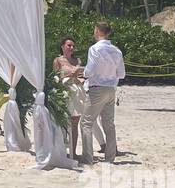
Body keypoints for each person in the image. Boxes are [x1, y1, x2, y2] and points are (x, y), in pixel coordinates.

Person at [79, 22, 126, 164]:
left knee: (86, 123)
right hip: (111, 89)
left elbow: (90, 70)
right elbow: (122, 74)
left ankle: (87, 157)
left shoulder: (95, 48)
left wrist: (83, 73)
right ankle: (110, 158)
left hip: (97, 88)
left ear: (98, 31)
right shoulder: (117, 51)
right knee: (109, 124)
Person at [52, 37, 88, 155]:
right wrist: (69, 75)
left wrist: (79, 76)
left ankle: (73, 152)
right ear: (62, 46)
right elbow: (55, 78)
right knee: (63, 122)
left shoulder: (77, 60)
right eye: (69, 45)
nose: (71, 48)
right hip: (65, 91)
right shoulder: (58, 60)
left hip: (77, 91)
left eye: (73, 46)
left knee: (75, 123)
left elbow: (82, 77)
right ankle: (62, 151)